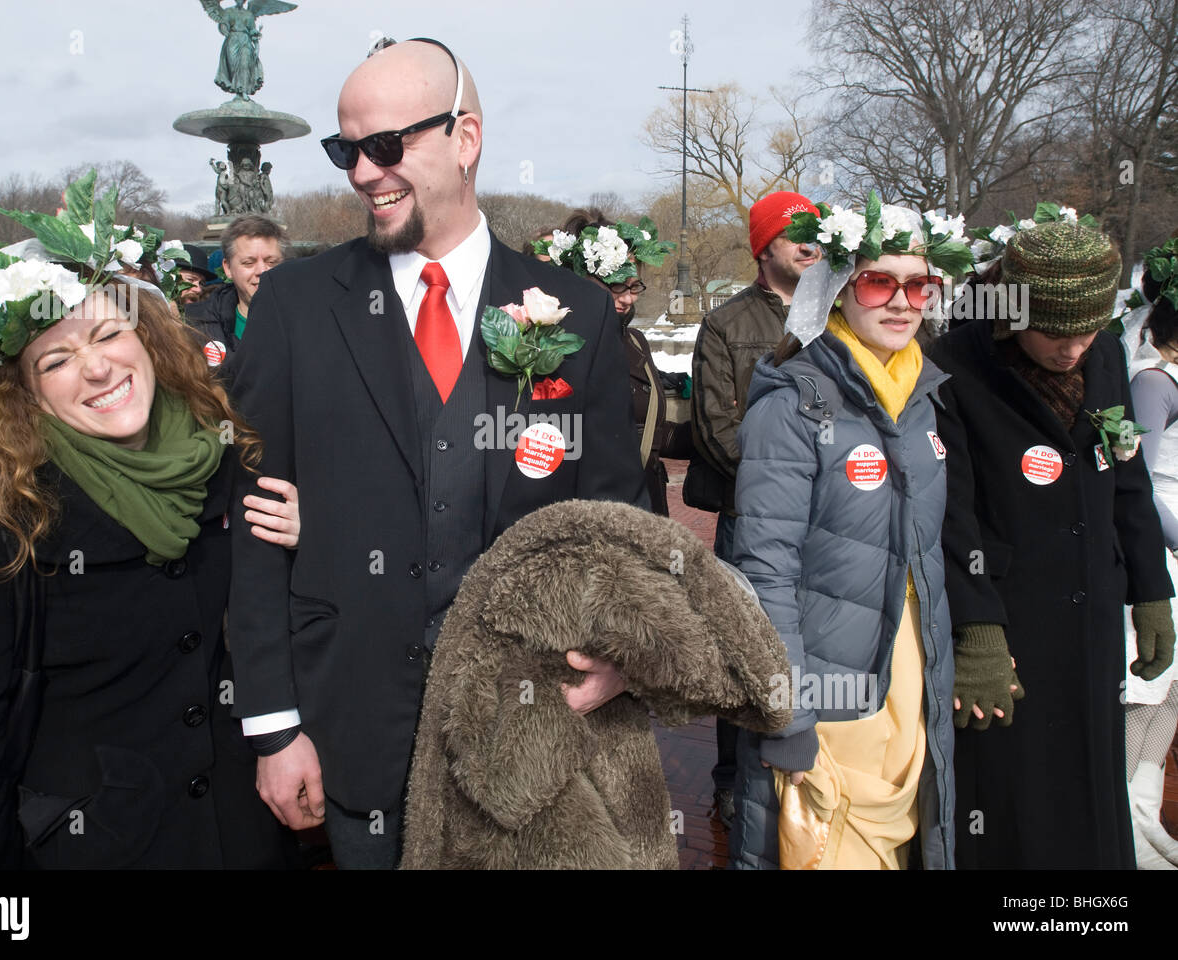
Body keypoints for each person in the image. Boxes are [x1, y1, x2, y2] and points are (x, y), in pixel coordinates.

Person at [226, 37, 647, 869]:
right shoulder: (296, 305)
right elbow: (250, 523)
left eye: (386, 146)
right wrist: (274, 726)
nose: (361, 174)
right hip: (355, 729)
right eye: (346, 151)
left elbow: (618, 520)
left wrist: (620, 657)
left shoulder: (575, 314)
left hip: (529, 734)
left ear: (466, 138)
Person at [0, 198, 303, 868]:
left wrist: (309, 539)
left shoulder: (220, 456)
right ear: (23, 393)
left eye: (107, 336)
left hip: (241, 832)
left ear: (146, 338)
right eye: (56, 361)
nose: (98, 368)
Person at [931, 219, 1174, 869]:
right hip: (1012, 625)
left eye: (1087, 331)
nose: (1073, 350)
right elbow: (952, 515)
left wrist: (1152, 590)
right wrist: (977, 628)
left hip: (1091, 611)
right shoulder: (954, 365)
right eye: (1056, 334)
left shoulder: (1107, 357)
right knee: (1014, 799)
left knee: (1092, 787)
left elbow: (1127, 475)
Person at [730, 197, 962, 869]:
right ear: (837, 293)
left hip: (908, 677)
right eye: (878, 282)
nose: (901, 301)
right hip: (827, 691)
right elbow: (763, 572)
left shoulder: (926, 399)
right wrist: (788, 713)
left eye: (918, 285)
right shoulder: (793, 405)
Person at [688, 189, 820, 824]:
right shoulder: (726, 325)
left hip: (830, 519)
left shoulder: (840, 311)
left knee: (816, 645)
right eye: (796, 233)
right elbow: (716, 429)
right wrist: (784, 482)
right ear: (765, 246)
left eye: (817, 231)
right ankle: (732, 780)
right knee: (743, 649)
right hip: (752, 520)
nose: (811, 242)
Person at [1107, 234, 1178, 869]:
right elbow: (1138, 483)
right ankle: (1121, 828)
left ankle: (1146, 817)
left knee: (1172, 692)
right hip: (1164, 556)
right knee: (1146, 689)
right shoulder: (1155, 382)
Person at [541, 208, 678, 513]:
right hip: (582, 511)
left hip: (644, 504)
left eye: (634, 285)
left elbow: (644, 428)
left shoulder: (636, 342)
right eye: (617, 285)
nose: (628, 297)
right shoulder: (548, 345)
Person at [184, 215, 286, 368]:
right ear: (227, 268)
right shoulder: (195, 327)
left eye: (271, 262)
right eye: (248, 263)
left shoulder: (308, 321)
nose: (262, 271)